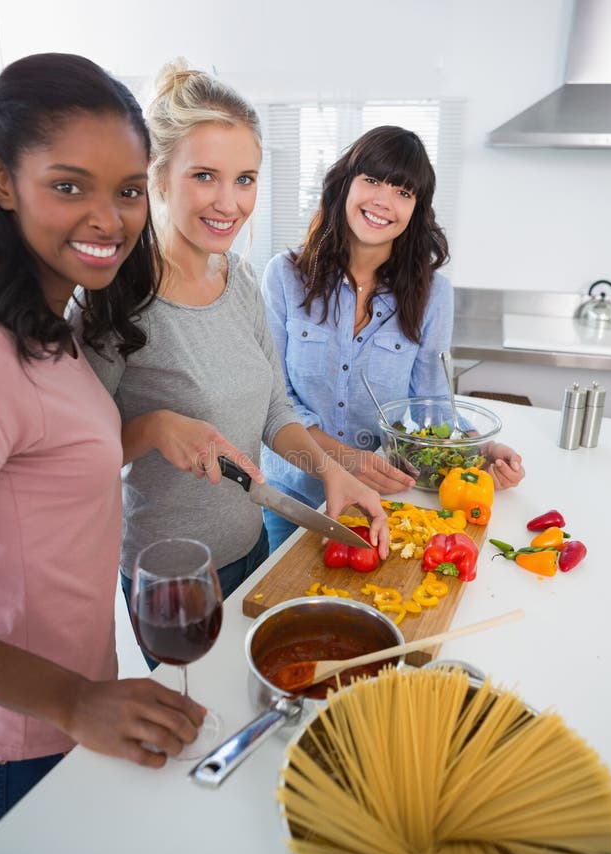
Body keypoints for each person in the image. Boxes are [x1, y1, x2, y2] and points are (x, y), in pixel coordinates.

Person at [70, 60, 389, 666]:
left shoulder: (238, 278)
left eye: (245, 178)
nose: (229, 202)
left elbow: (274, 411)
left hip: (252, 545)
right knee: (197, 729)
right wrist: (156, 428)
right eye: (205, 176)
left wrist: (331, 473)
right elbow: (69, 457)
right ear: (157, 177)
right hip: (172, 576)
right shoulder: (112, 299)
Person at [0, 52, 208, 821]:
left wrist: (148, 428)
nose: (108, 218)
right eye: (67, 186)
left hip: (71, 699)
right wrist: (75, 699)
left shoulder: (52, 331)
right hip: (21, 732)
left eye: (126, 191)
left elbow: (45, 469)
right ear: (2, 182)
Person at [261, 125, 525, 551]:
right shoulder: (285, 276)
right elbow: (272, 398)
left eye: (404, 192)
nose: (384, 201)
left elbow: (432, 404)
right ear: (344, 184)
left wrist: (481, 451)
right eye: (372, 180)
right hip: (293, 497)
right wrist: (344, 459)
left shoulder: (432, 294)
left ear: (416, 209)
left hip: (380, 502)